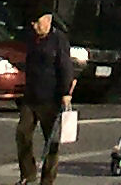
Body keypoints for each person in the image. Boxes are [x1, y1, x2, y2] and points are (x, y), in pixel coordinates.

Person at [16, 10, 75, 185]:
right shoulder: (32, 39)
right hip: (31, 96)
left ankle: (47, 180)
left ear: (48, 20)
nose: (35, 27)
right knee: (22, 133)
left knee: (52, 142)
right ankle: (28, 173)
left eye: (38, 23)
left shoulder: (59, 40)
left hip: (51, 97)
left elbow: (65, 67)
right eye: (33, 24)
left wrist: (66, 93)